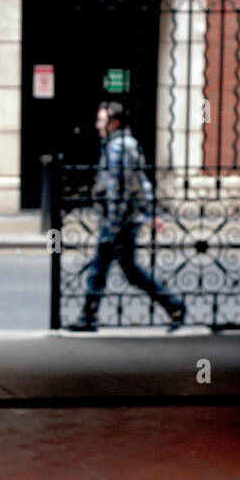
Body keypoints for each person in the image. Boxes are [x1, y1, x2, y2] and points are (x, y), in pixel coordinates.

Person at [70, 101, 185, 331]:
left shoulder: (118, 147)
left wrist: (111, 227)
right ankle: (174, 306)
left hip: (119, 222)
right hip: (126, 220)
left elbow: (120, 189)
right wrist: (149, 213)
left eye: (102, 120)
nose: (97, 125)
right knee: (127, 271)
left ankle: (88, 318)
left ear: (115, 122)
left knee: (100, 269)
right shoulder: (123, 144)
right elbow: (140, 182)